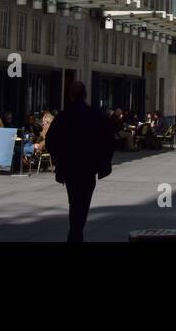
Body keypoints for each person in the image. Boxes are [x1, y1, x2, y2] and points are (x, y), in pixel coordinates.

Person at [45, 80, 116, 243]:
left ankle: (75, 233)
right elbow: (109, 140)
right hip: (89, 167)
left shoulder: (63, 116)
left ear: (70, 95)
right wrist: (104, 161)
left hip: (70, 168)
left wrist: (58, 160)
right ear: (85, 95)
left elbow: (50, 141)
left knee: (74, 201)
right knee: (83, 203)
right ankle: (75, 233)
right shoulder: (96, 115)